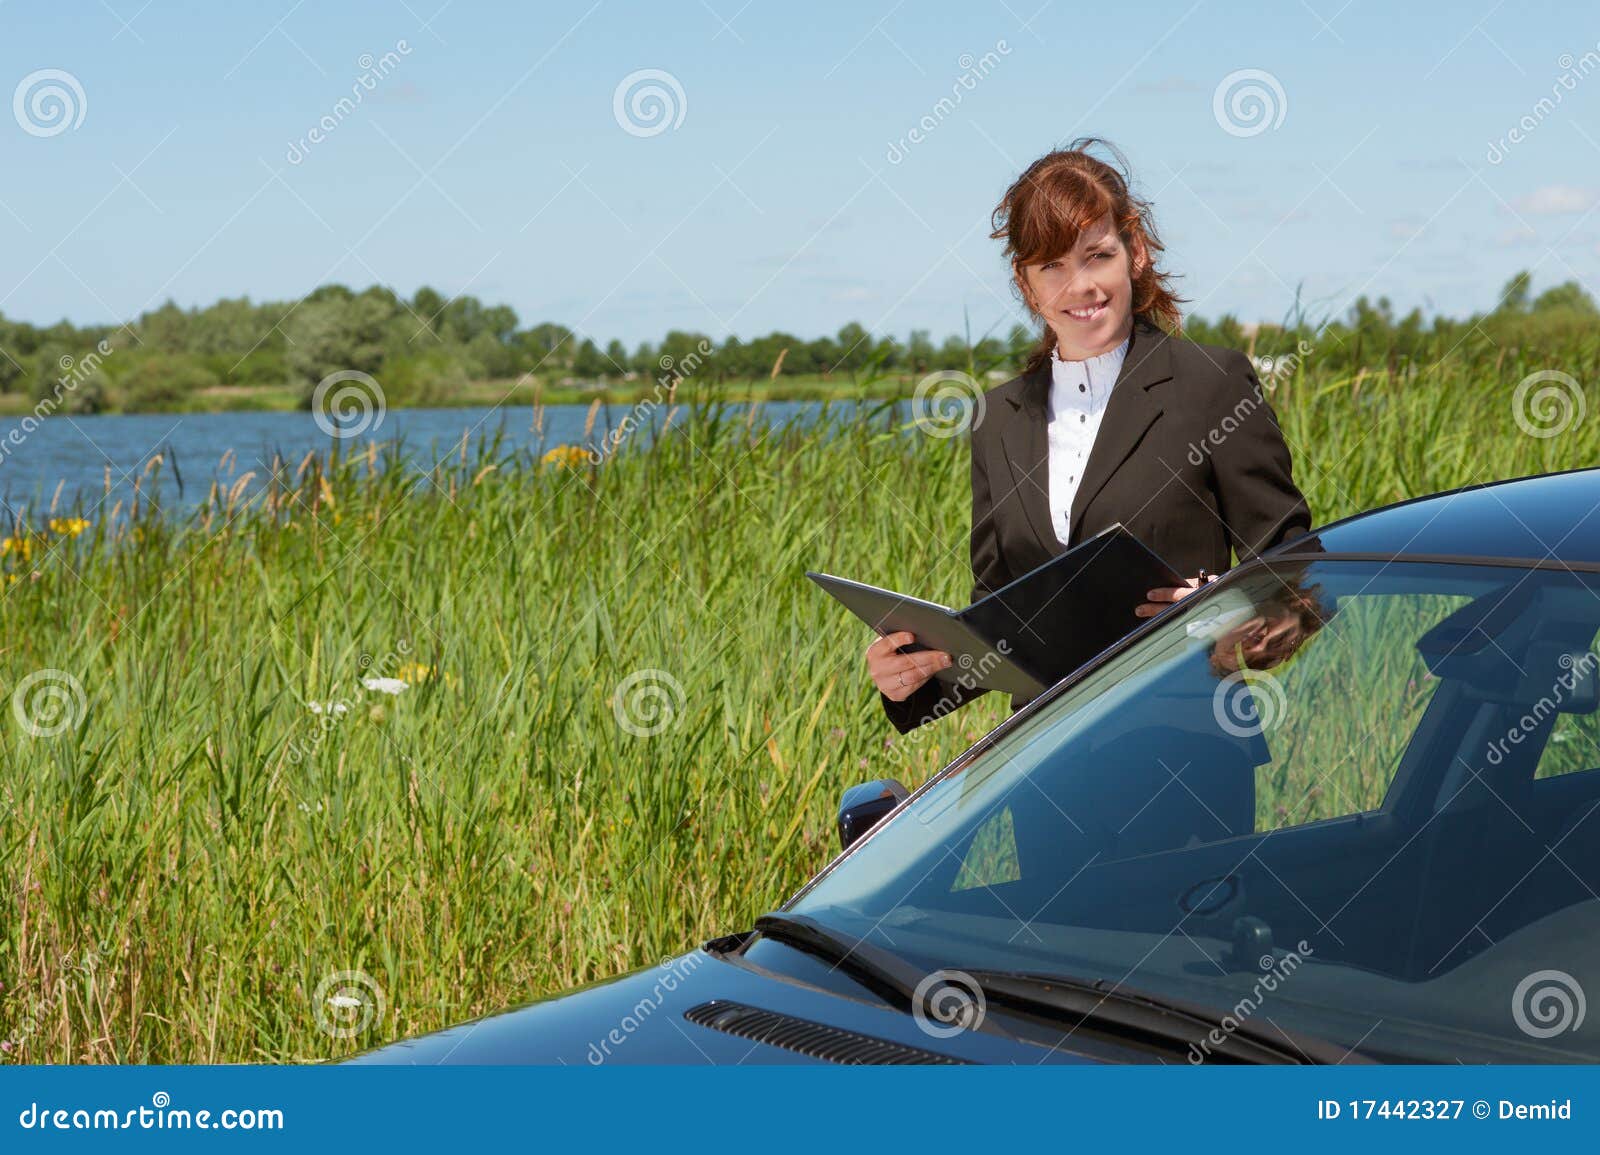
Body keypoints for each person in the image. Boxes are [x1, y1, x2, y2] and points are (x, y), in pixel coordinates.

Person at [867, 138, 1313, 735]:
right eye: (1051, 266)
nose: (1079, 286)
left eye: (1096, 255)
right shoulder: (997, 418)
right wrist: (913, 679)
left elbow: (1297, 575)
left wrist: (1221, 616)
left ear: (1137, 252)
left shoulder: (1212, 385)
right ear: (1026, 286)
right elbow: (1001, 621)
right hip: (1038, 764)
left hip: (1188, 752)